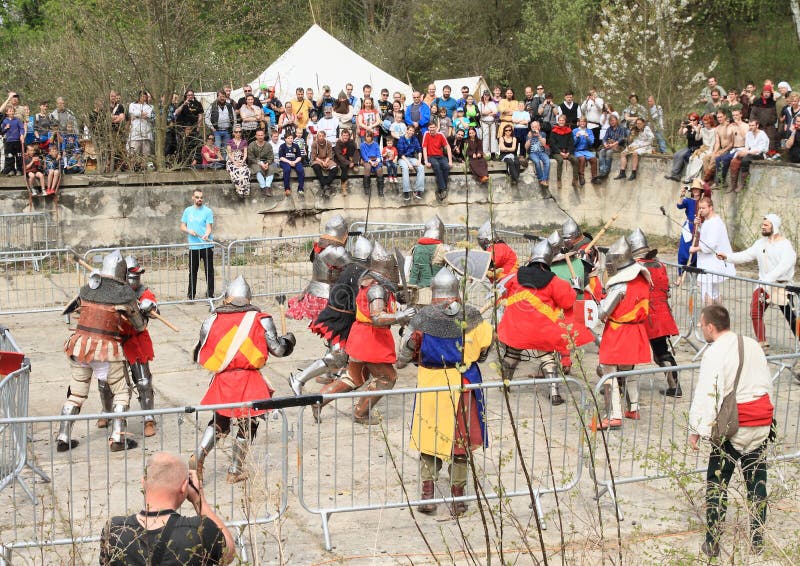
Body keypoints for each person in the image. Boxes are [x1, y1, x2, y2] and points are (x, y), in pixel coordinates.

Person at [398, 268, 493, 516]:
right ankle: (458, 499)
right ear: (456, 292)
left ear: (434, 292)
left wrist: (413, 350)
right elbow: (484, 352)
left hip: (433, 385)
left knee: (430, 441)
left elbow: (404, 356)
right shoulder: (472, 317)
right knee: (460, 443)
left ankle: (427, 497)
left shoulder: (423, 320)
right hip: (463, 384)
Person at [688, 305, 774, 557]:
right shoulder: (752, 344)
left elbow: (708, 394)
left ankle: (713, 541)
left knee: (717, 483)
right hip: (760, 422)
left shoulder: (715, 352)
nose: (701, 327)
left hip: (735, 426)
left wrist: (697, 428)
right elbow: (767, 383)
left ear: (710, 327)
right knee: (757, 483)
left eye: (702, 324)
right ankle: (757, 539)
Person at [191, 276, 295, 484]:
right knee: (248, 423)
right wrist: (288, 341)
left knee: (220, 421)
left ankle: (199, 455)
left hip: (224, 378)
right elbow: (278, 350)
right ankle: (235, 470)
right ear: (248, 298)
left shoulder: (212, 319)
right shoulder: (261, 319)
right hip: (248, 379)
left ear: (227, 298)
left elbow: (199, 352)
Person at [311, 242, 416, 423]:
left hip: (362, 336)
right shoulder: (376, 289)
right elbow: (377, 317)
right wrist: (400, 316)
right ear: (386, 267)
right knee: (387, 377)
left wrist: (399, 302)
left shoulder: (374, 284)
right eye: (394, 267)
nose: (396, 270)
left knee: (354, 377)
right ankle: (361, 413)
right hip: (371, 339)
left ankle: (319, 400)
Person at [58, 250, 146, 452]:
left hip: (79, 346)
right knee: (122, 392)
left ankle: (63, 436)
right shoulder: (124, 293)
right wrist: (144, 311)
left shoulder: (88, 289)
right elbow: (139, 325)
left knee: (76, 393)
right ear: (122, 272)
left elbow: (68, 310)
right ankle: (117, 438)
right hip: (105, 349)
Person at [99, 452, 234, 565]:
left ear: (143, 482)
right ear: (184, 487)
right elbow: (229, 554)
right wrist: (199, 500)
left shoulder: (115, 529)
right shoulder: (198, 530)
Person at [289, 236, 373, 397]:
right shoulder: (358, 272)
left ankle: (342, 378)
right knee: (337, 357)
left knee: (346, 355)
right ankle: (299, 379)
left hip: (341, 317)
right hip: (339, 319)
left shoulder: (352, 268)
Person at [498, 239, 575, 405]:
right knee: (547, 357)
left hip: (517, 327)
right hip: (541, 329)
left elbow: (503, 293)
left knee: (512, 354)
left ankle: (504, 385)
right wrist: (575, 288)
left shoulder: (515, 277)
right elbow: (567, 302)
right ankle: (554, 393)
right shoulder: (554, 281)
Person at [97, 256, 159, 437]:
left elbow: (155, 310)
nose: (136, 279)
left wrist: (149, 307)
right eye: (132, 275)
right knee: (105, 382)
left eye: (137, 275)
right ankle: (107, 412)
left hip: (135, 340)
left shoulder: (142, 292)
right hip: (112, 340)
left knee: (144, 382)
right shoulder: (107, 291)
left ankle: (148, 418)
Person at [596, 237, 652, 430]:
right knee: (629, 368)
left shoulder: (620, 284)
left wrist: (595, 302)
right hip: (636, 329)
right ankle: (633, 408)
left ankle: (614, 415)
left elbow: (603, 312)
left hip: (619, 331)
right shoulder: (642, 277)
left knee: (608, 370)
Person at [716, 214, 797, 348]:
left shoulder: (785, 245)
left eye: (766, 225)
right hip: (764, 285)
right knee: (755, 312)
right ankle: (761, 342)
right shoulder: (760, 243)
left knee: (791, 318)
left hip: (781, 286)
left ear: (774, 226)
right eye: (762, 225)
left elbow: (784, 266)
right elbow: (746, 255)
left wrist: (768, 279)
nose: (763, 227)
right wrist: (727, 257)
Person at [627, 229, 681, 396]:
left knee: (627, 352)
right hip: (662, 313)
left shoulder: (636, 268)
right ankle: (675, 387)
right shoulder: (659, 265)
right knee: (662, 351)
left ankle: (619, 386)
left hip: (643, 315)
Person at [286, 215, 349, 322]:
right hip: (328, 295)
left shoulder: (318, 247)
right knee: (331, 326)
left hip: (313, 291)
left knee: (320, 326)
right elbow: (353, 268)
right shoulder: (336, 252)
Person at [689, 196, 735, 305]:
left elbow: (711, 245)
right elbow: (707, 234)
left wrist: (695, 249)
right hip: (709, 263)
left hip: (711, 263)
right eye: (700, 208)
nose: (701, 210)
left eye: (703, 208)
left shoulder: (714, 222)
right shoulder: (709, 221)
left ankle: (709, 315)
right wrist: (699, 225)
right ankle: (718, 314)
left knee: (707, 293)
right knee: (714, 292)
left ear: (711, 208)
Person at [180, 189, 215, 300]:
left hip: (207, 246)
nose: (199, 199)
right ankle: (191, 295)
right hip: (194, 246)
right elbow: (182, 226)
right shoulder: (187, 211)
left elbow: (209, 227)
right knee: (192, 271)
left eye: (201, 197)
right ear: (193, 198)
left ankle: (210, 295)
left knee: (209, 271)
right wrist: (189, 231)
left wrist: (206, 234)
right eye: (197, 197)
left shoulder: (208, 211)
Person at [728, 119, 769, 193]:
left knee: (745, 160)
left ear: (757, 125)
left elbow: (761, 150)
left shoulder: (762, 134)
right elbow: (747, 147)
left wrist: (747, 152)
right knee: (734, 161)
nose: (751, 127)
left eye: (753, 125)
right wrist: (742, 152)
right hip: (749, 152)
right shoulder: (749, 134)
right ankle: (733, 185)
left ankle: (743, 184)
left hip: (759, 154)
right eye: (750, 125)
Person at [409, 215, 447, 292]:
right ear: (441, 232)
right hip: (435, 290)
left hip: (414, 288)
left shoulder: (415, 248)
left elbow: (408, 269)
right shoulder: (443, 249)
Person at [675, 179, 704, 280]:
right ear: (691, 190)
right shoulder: (688, 200)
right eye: (694, 189)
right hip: (689, 227)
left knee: (696, 252)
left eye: (698, 189)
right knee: (683, 251)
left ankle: (695, 275)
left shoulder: (703, 202)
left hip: (699, 228)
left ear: (701, 191)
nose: (695, 191)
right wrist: (682, 195)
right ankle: (680, 275)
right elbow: (679, 205)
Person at [665, 112, 703, 182]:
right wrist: (682, 127)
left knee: (681, 155)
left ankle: (676, 174)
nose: (692, 121)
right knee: (676, 154)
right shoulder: (688, 127)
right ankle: (675, 175)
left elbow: (698, 134)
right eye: (690, 120)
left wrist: (693, 126)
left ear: (697, 120)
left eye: (694, 120)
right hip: (689, 147)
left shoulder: (699, 127)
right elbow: (680, 134)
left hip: (697, 148)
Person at [422, 121, 452, 200]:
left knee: (446, 166)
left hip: (440, 156)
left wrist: (450, 161)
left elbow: (448, 147)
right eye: (430, 127)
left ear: (436, 127)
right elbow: (424, 148)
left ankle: (441, 189)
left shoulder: (440, 134)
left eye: (433, 127)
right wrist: (426, 161)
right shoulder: (426, 134)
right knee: (436, 165)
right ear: (428, 128)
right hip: (431, 156)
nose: (432, 129)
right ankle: (443, 189)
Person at [548, 114, 577, 188]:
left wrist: (568, 152)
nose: (561, 122)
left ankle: (575, 179)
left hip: (567, 151)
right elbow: (552, 144)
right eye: (560, 120)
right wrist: (560, 152)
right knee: (560, 160)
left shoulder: (569, 131)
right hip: (557, 152)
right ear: (558, 121)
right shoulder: (554, 131)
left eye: (563, 120)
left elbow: (571, 143)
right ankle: (559, 180)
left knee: (575, 160)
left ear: (565, 121)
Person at [397, 125, 425, 201]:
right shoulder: (401, 139)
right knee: (405, 168)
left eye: (413, 131)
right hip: (403, 158)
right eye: (410, 130)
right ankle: (406, 191)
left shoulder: (414, 139)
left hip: (412, 158)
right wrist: (408, 164)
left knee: (421, 167)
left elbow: (419, 149)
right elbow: (400, 153)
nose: (411, 132)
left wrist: (419, 160)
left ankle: (418, 190)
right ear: (407, 130)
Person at [128, 91, 153, 168]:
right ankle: (133, 168)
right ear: (139, 96)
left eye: (145, 97)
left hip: (146, 132)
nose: (144, 98)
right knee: (133, 152)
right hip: (135, 132)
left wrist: (137, 115)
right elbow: (133, 113)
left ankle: (144, 168)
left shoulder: (149, 106)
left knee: (146, 153)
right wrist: (140, 114)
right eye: (142, 96)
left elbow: (149, 115)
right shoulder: (132, 105)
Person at [598, 113, 628, 179]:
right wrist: (605, 144)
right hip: (611, 146)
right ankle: (602, 171)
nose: (612, 122)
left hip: (620, 146)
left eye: (613, 120)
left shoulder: (621, 128)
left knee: (609, 152)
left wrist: (613, 144)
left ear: (616, 120)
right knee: (601, 151)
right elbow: (604, 138)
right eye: (610, 121)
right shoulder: (609, 129)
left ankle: (606, 171)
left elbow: (621, 139)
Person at [310, 129, 339, 198]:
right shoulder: (314, 144)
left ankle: (326, 184)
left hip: (327, 159)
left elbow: (330, 155)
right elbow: (314, 156)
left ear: (325, 136)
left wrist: (326, 162)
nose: (321, 137)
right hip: (318, 160)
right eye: (319, 136)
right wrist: (322, 162)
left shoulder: (328, 143)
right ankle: (325, 185)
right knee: (316, 167)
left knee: (335, 168)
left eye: (322, 136)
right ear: (317, 137)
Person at [247, 128, 274, 196]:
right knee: (257, 169)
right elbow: (250, 158)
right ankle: (263, 187)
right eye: (258, 135)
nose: (260, 137)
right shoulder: (252, 145)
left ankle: (267, 187)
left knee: (271, 169)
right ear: (256, 136)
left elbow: (271, 156)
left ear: (264, 135)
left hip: (266, 162)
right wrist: (260, 163)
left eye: (261, 135)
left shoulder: (268, 145)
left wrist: (267, 163)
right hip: (255, 163)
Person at [225, 127, 251, 198]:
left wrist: (242, 162)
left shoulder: (244, 142)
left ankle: (245, 191)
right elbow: (229, 154)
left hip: (241, 160)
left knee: (245, 171)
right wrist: (235, 162)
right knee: (237, 172)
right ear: (233, 133)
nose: (238, 133)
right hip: (232, 161)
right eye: (236, 132)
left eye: (240, 132)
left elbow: (245, 154)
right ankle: (240, 191)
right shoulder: (230, 142)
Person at [572, 117, 598, 185]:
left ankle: (594, 177)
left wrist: (587, 137)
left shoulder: (589, 131)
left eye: (584, 121)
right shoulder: (575, 131)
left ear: (586, 123)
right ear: (579, 123)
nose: (582, 123)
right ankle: (581, 177)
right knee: (582, 158)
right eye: (581, 121)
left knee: (594, 159)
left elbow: (591, 142)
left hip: (586, 150)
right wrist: (576, 137)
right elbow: (572, 143)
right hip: (577, 150)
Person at [333, 128, 358, 196]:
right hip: (340, 159)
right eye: (344, 135)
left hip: (349, 158)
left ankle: (354, 165)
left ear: (349, 136)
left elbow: (356, 151)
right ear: (341, 136)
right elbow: (340, 156)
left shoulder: (351, 141)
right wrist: (349, 163)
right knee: (344, 167)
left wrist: (353, 162)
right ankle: (343, 188)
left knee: (353, 146)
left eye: (347, 135)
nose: (345, 137)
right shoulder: (338, 143)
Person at [279, 132, 305, 196]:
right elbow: (281, 157)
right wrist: (289, 162)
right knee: (287, 169)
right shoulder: (282, 146)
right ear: (285, 139)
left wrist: (295, 162)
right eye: (288, 138)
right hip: (286, 161)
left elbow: (299, 157)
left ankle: (300, 188)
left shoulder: (296, 146)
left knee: (301, 170)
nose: (290, 139)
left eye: (291, 138)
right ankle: (287, 188)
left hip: (295, 161)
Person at [359, 131, 385, 196]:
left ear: (372, 137)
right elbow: (364, 155)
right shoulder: (362, 145)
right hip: (367, 160)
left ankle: (380, 189)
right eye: (367, 136)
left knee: (379, 169)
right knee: (368, 168)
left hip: (375, 159)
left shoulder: (375, 144)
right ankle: (366, 187)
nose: (368, 138)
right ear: (365, 137)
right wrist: (370, 162)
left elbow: (378, 154)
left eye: (370, 136)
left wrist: (377, 161)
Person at [2, 105, 25, 175]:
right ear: (6, 112)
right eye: (10, 111)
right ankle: (11, 170)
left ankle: (19, 170)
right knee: (10, 156)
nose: (12, 112)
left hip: (17, 141)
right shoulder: (4, 121)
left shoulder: (17, 120)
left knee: (19, 156)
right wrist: (6, 128)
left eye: (13, 111)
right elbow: (2, 131)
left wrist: (21, 135)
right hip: (9, 141)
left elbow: (22, 128)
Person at [478, 90, 498, 159]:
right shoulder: (480, 103)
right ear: (483, 95)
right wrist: (490, 112)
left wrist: (487, 113)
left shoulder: (492, 103)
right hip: (484, 122)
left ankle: (493, 153)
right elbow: (481, 112)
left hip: (492, 122)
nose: (486, 96)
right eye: (485, 95)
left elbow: (495, 112)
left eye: (488, 95)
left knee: (493, 137)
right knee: (485, 137)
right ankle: (484, 153)